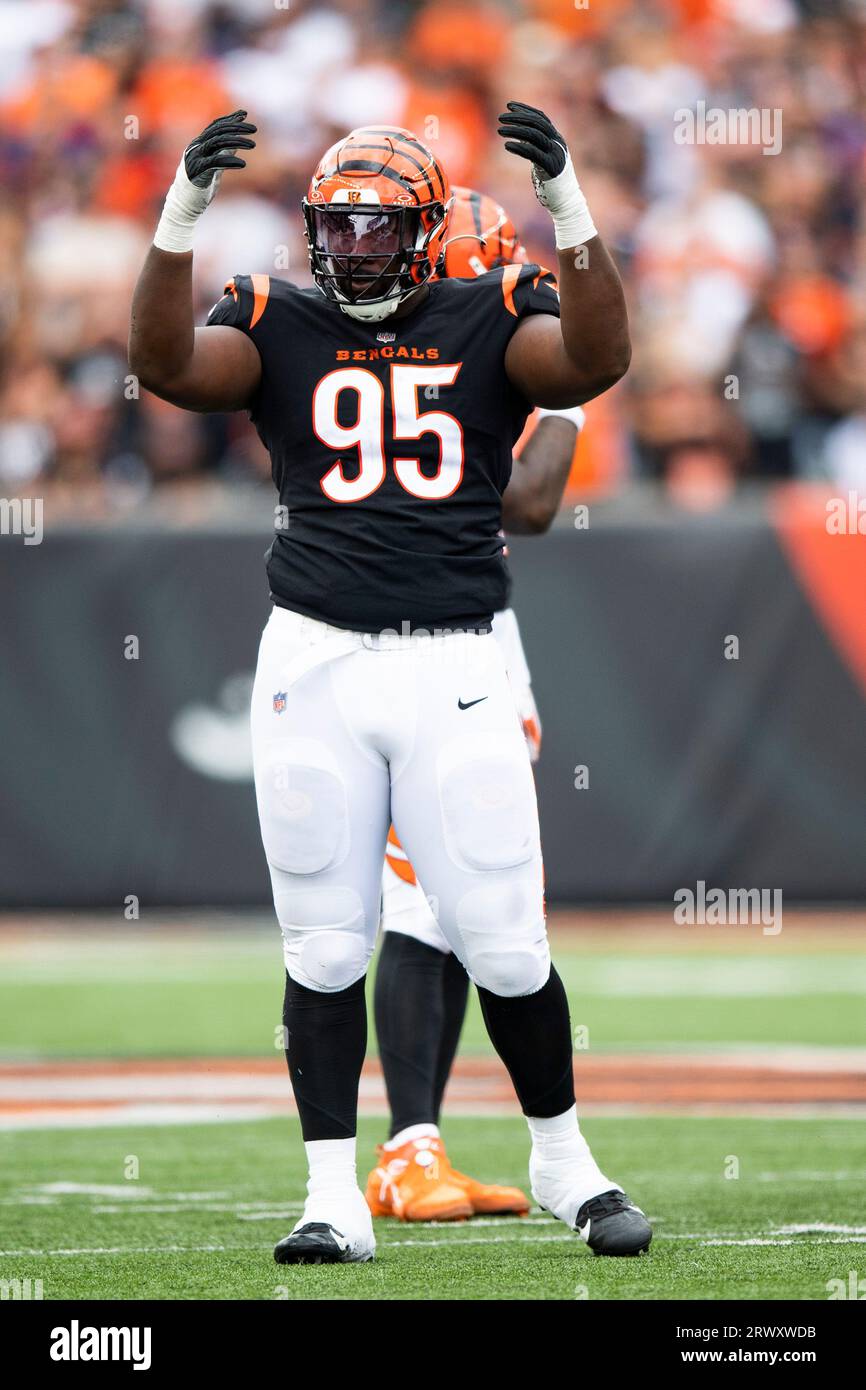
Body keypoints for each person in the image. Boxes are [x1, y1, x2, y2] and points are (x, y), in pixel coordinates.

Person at [128, 105, 651, 1264]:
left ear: (424, 232)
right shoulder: (273, 314)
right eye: (338, 226)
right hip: (314, 660)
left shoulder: (492, 309)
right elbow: (163, 365)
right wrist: (181, 214)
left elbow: (596, 361)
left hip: (452, 659)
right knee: (322, 945)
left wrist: (565, 201)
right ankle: (332, 1194)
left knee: (506, 941)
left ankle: (563, 1161)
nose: (355, 247)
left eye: (378, 227)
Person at [369, 184, 585, 1223]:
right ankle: (405, 1156)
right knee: (421, 907)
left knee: (466, 913)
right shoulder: (390, 358)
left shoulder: (463, 345)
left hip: (470, 635)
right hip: (394, 637)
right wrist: (573, 394)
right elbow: (522, 501)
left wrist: (569, 389)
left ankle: (426, 1150)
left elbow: (528, 507)